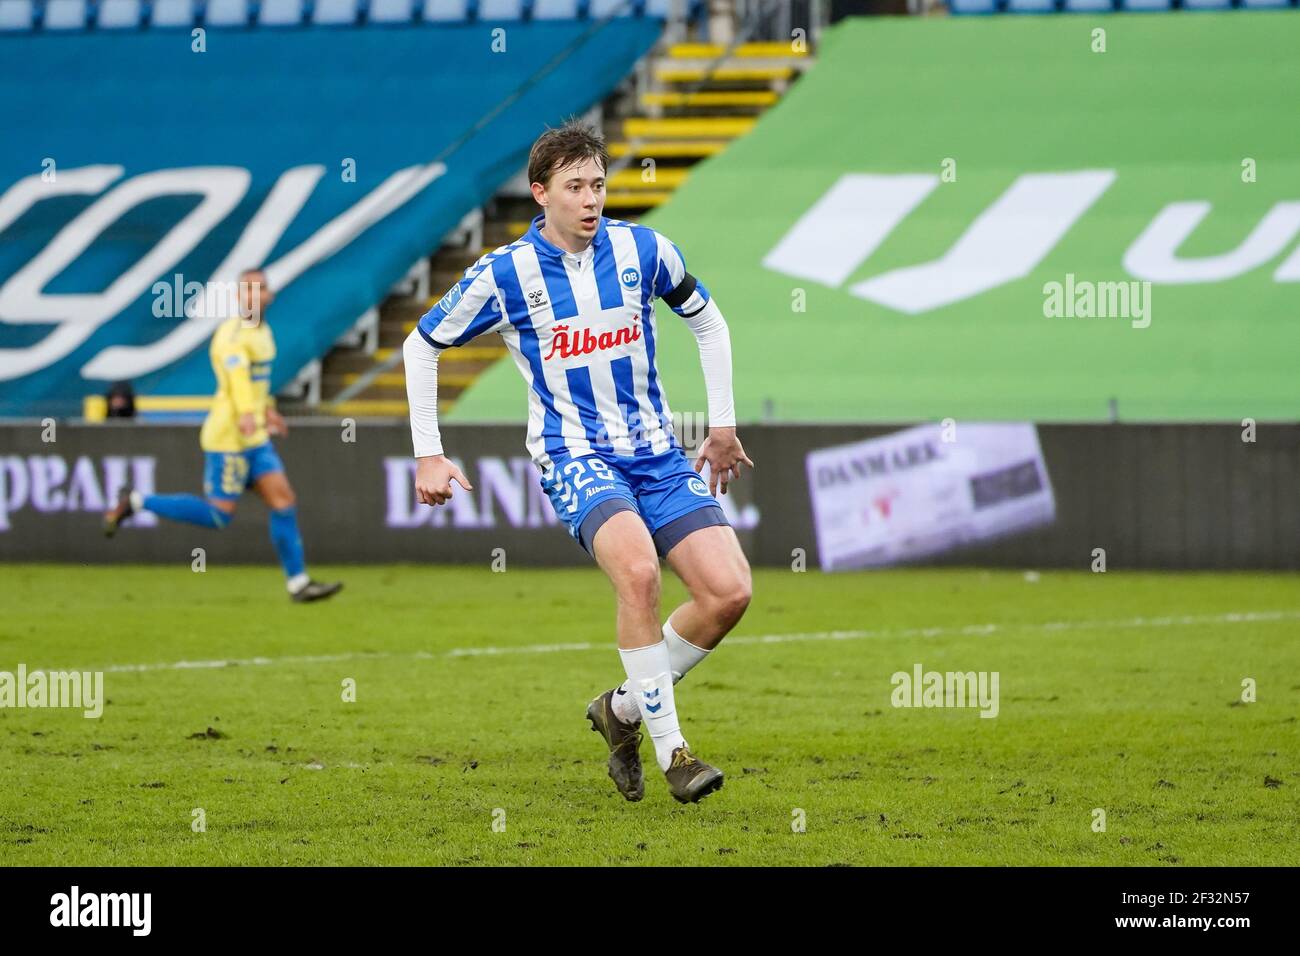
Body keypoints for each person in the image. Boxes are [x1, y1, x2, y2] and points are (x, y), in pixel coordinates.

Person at [404, 120, 753, 803]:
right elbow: (422, 345)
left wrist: (722, 424)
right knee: (638, 570)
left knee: (729, 592)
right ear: (541, 194)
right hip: (575, 453)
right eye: (574, 187)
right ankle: (674, 751)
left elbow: (707, 319)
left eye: (597, 184)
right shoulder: (506, 273)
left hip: (654, 450)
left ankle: (619, 712)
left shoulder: (642, 249)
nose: (590, 199)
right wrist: (429, 454)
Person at [103, 269, 341, 604]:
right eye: (248, 290)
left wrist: (266, 409)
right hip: (229, 437)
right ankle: (138, 501)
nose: (254, 296)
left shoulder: (263, 332)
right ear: (238, 297)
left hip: (255, 438)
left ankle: (298, 584)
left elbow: (258, 383)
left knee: (283, 501)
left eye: (260, 289)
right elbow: (238, 378)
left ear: (268, 296)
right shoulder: (231, 336)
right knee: (218, 516)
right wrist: (247, 413)